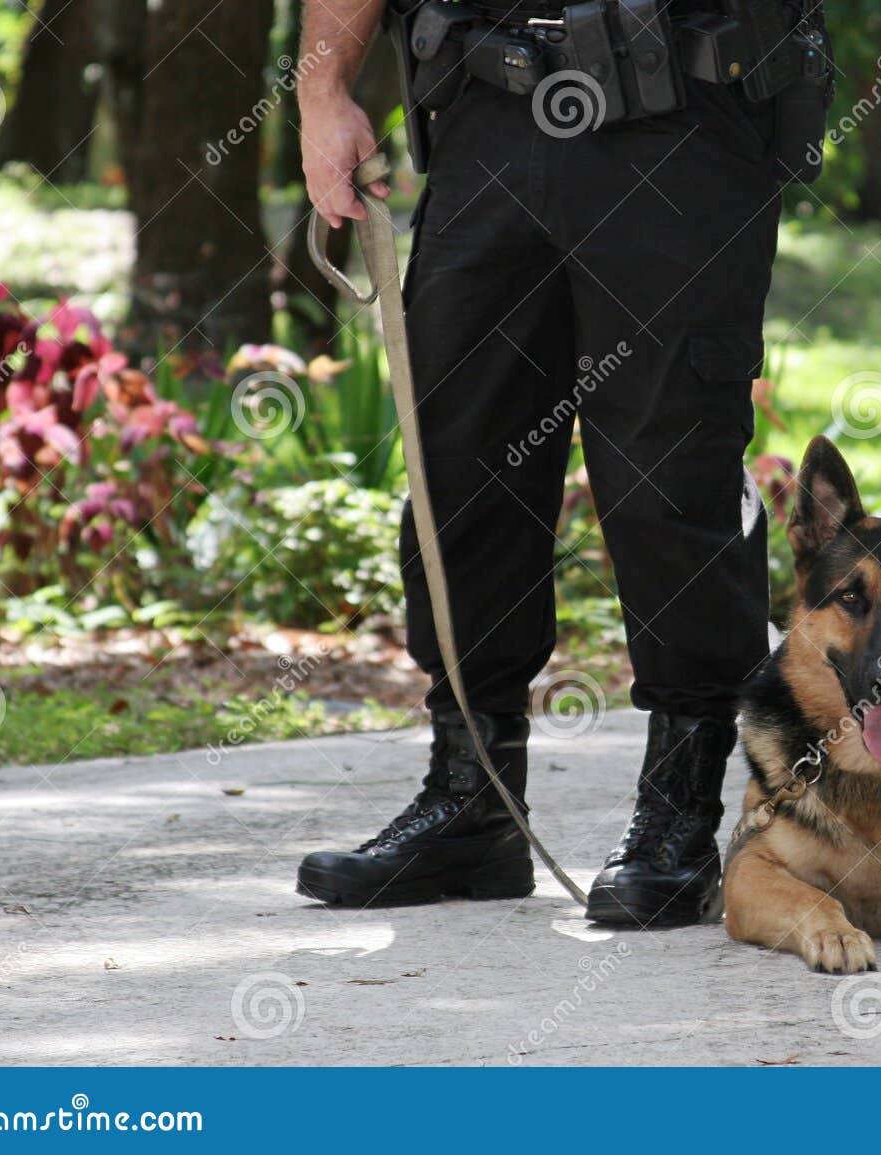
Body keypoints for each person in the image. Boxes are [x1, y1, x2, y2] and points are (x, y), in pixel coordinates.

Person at [293, 0, 790, 927]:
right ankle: (470, 804)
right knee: (460, 456)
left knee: (668, 465)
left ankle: (677, 815)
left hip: (677, 108)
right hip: (486, 110)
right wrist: (322, 91)